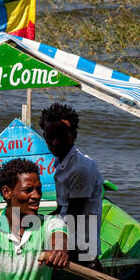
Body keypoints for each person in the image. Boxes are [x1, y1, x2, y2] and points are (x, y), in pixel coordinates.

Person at [40, 102, 103, 261]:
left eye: (61, 136)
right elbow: (63, 207)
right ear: (44, 137)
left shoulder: (80, 169)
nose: (55, 142)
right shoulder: (62, 162)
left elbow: (72, 218)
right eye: (50, 137)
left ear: (73, 135)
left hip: (81, 246)